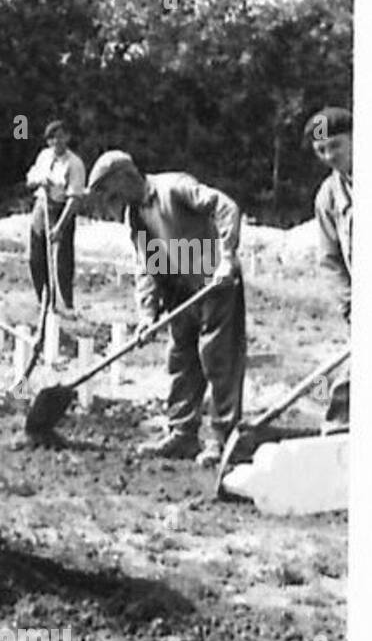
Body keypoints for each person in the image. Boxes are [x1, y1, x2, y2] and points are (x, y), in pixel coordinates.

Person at [86, 150, 245, 465]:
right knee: (181, 360)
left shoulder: (174, 187)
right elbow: (146, 264)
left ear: (124, 176)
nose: (109, 201)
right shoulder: (135, 215)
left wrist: (226, 257)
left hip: (215, 285)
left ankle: (224, 440)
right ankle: (182, 434)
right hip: (179, 291)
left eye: (108, 191)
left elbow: (226, 207)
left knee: (218, 360)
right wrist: (147, 313)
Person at [306, 105, 352, 433]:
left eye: (335, 145)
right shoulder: (328, 196)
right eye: (321, 150)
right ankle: (337, 434)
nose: (329, 155)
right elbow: (330, 259)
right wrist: (349, 303)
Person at [25, 120, 87, 315]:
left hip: (61, 210)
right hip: (41, 206)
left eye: (61, 136)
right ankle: (43, 300)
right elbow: (30, 178)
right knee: (35, 255)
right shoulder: (44, 156)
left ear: (67, 138)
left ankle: (65, 304)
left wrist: (60, 227)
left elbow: (74, 199)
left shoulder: (74, 164)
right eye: (52, 138)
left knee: (61, 261)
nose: (57, 141)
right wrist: (39, 180)